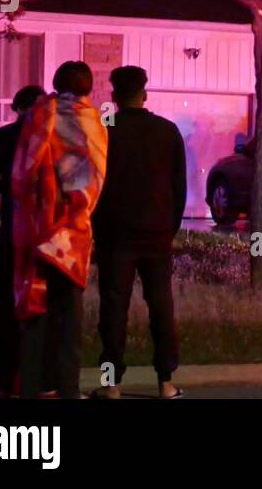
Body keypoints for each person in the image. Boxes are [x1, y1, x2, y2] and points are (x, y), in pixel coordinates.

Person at [12, 61, 108, 399]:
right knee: (70, 317)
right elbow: (95, 178)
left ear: (55, 82)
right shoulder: (95, 123)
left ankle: (30, 388)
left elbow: (22, 174)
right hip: (75, 233)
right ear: (89, 87)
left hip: (40, 229)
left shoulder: (39, 114)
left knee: (35, 314)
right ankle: (68, 389)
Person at [92, 66, 186, 399]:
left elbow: (95, 187)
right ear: (144, 94)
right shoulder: (167, 131)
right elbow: (179, 188)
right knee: (161, 305)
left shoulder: (105, 132)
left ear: (114, 96)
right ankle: (166, 382)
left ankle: (111, 384)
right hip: (157, 233)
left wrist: (96, 229)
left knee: (113, 308)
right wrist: (168, 227)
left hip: (115, 235)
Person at [0, 85, 46, 398]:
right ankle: (42, 380)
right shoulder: (50, 138)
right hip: (44, 237)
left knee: (7, 309)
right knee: (41, 308)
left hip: (11, 233)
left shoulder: (4, 136)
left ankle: (2, 382)